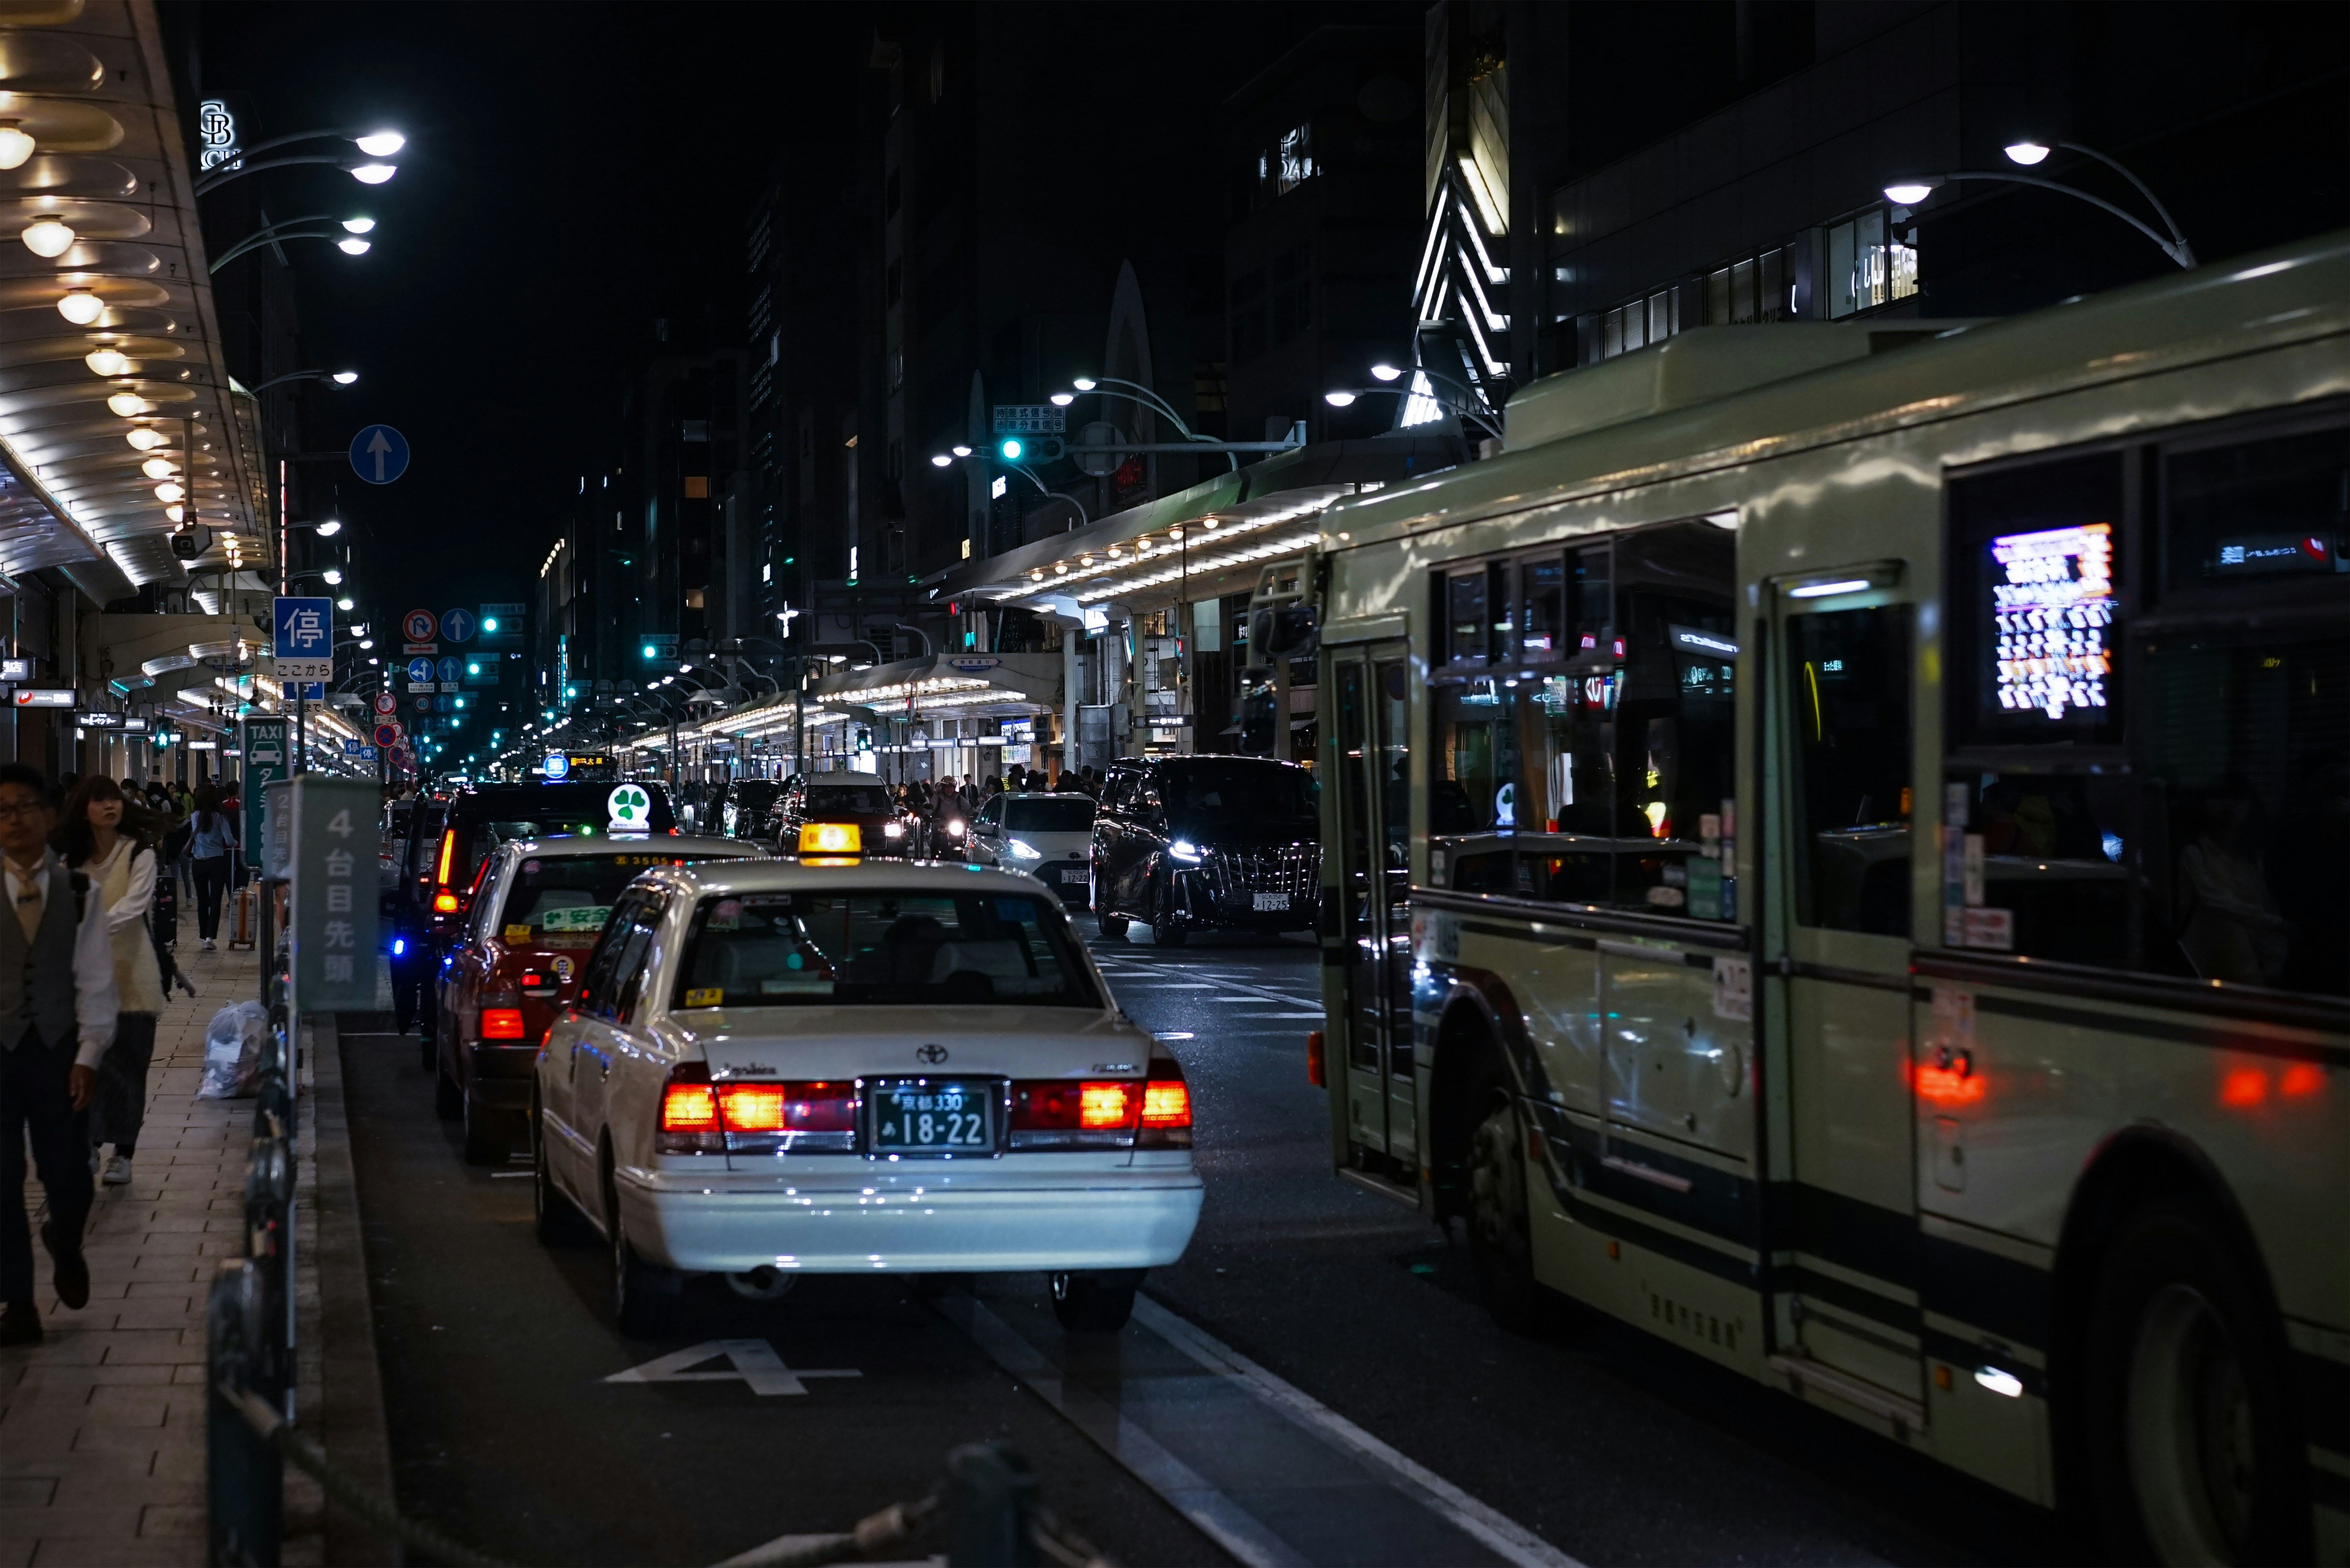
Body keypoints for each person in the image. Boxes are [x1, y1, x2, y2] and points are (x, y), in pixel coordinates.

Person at [0, 764, 120, 1346]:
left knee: (70, 1174)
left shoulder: (80, 893)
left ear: (50, 817)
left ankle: (65, 1238)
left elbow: (96, 978)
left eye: (25, 806)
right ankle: (18, 1301)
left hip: (58, 1052)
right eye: (2, 811)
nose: (14, 820)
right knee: (0, 1181)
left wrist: (90, 1052)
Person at [58, 778, 165, 1189]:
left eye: (113, 799)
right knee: (85, 1067)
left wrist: (87, 928)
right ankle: (87, 1142)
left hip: (132, 978)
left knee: (127, 1068)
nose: (109, 806)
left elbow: (134, 907)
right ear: (82, 809)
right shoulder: (71, 860)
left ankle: (123, 1153)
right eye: (98, 800)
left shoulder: (140, 853)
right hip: (81, 981)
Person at [188, 783, 237, 950]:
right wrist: (237, 844)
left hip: (198, 862)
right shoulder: (220, 817)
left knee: (203, 900)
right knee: (216, 901)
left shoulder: (194, 816)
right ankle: (210, 937)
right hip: (216, 861)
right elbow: (229, 840)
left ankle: (203, 936)